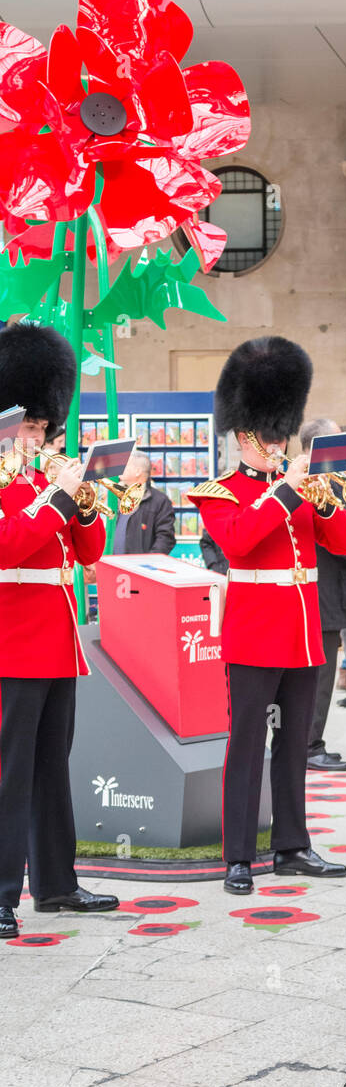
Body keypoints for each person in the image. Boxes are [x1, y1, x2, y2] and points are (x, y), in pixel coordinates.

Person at [187, 337, 346, 895]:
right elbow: (238, 543)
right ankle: (237, 854)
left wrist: (326, 498)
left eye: (283, 433)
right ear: (243, 436)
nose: (279, 444)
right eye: (270, 435)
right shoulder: (220, 492)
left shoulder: (303, 489)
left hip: (303, 635)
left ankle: (291, 844)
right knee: (246, 745)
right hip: (254, 634)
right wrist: (284, 493)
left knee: (293, 746)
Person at [0, 323, 118, 940]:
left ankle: (56, 883)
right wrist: (56, 499)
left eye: (44, 426)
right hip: (9, 646)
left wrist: (85, 501)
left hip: (53, 643)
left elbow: (87, 551)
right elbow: (9, 544)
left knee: (52, 769)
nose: (38, 435)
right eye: (29, 425)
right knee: (8, 774)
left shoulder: (42, 481)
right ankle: (0, 894)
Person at [300, 417, 346, 771]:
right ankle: (310, 746)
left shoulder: (314, 484)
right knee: (319, 680)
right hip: (324, 596)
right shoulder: (325, 488)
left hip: (320, 594)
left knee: (313, 679)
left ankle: (307, 743)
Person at [110, 451, 176, 556]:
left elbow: (165, 538)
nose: (120, 469)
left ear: (137, 471)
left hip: (139, 569)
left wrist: (148, 563)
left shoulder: (160, 501)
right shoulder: (112, 496)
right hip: (112, 566)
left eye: (125, 465)